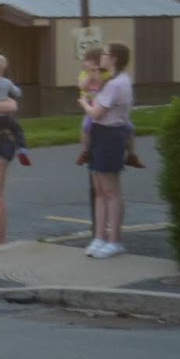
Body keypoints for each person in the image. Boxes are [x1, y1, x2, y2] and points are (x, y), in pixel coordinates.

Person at [81, 42, 134, 259]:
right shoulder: (111, 81)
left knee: (110, 190)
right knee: (100, 189)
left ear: (113, 58)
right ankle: (100, 236)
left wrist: (84, 104)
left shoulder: (117, 84)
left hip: (110, 134)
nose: (101, 57)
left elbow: (97, 113)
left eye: (104, 54)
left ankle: (115, 241)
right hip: (100, 134)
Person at [74, 45, 143, 169]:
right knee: (86, 126)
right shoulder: (84, 74)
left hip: (101, 106)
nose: (84, 64)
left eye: (87, 61)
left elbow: (103, 88)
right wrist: (90, 76)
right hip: (91, 105)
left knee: (130, 128)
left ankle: (131, 154)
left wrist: (98, 76)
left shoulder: (106, 75)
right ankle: (85, 151)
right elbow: (82, 87)